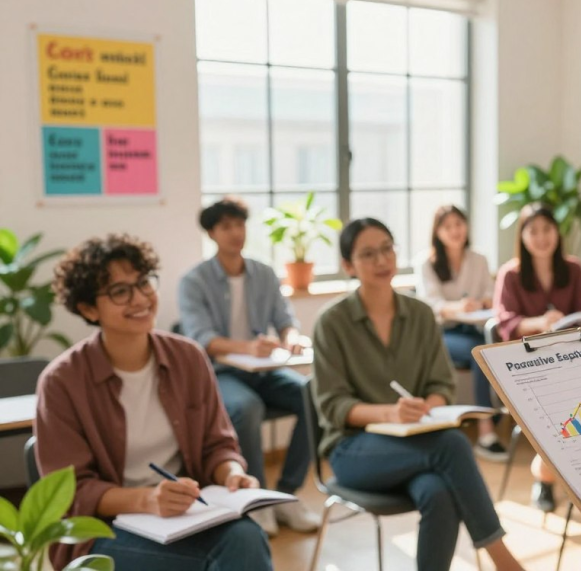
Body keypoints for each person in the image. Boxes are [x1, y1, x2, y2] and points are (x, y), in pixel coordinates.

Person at [35, 234, 272, 571]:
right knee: (224, 555)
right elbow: (73, 492)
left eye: (144, 283)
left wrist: (232, 473)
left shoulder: (187, 357)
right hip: (104, 529)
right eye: (120, 291)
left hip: (185, 516)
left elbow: (217, 444)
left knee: (246, 538)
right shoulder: (62, 382)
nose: (140, 299)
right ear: (88, 308)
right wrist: (148, 499)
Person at [312, 218, 525, 571]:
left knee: (439, 494)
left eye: (387, 248)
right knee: (453, 445)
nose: (382, 260)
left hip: (417, 445)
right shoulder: (332, 322)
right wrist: (389, 413)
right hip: (352, 451)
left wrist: (429, 406)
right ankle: (503, 560)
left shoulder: (421, 315)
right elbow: (333, 406)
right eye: (368, 254)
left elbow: (441, 385)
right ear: (348, 266)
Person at [178, 197, 320, 535]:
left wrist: (291, 337)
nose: (235, 232)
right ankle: (256, 500)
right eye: (226, 226)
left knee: (313, 394)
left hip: (264, 371)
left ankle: (285, 495)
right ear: (211, 233)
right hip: (221, 373)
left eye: (239, 224)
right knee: (246, 408)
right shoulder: (193, 281)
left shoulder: (264, 273)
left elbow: (285, 319)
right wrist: (247, 348)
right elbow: (201, 338)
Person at [493, 203, 581, 512]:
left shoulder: (574, 267)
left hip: (570, 360)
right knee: (565, 402)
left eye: (547, 229)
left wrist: (566, 320)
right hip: (527, 367)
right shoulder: (510, 274)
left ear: (557, 232)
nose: (542, 238)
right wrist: (540, 323)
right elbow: (504, 322)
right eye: (533, 231)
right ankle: (547, 476)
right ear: (522, 236)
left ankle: (561, 473)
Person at [414, 204, 506, 461]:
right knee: (479, 354)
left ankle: (492, 421)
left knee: (491, 351)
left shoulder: (478, 259)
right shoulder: (426, 262)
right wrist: (457, 307)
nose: (455, 230)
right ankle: (486, 430)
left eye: (459, 224)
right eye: (448, 226)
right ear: (438, 232)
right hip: (442, 333)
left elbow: (490, 293)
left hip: (475, 329)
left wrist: (485, 302)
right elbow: (429, 305)